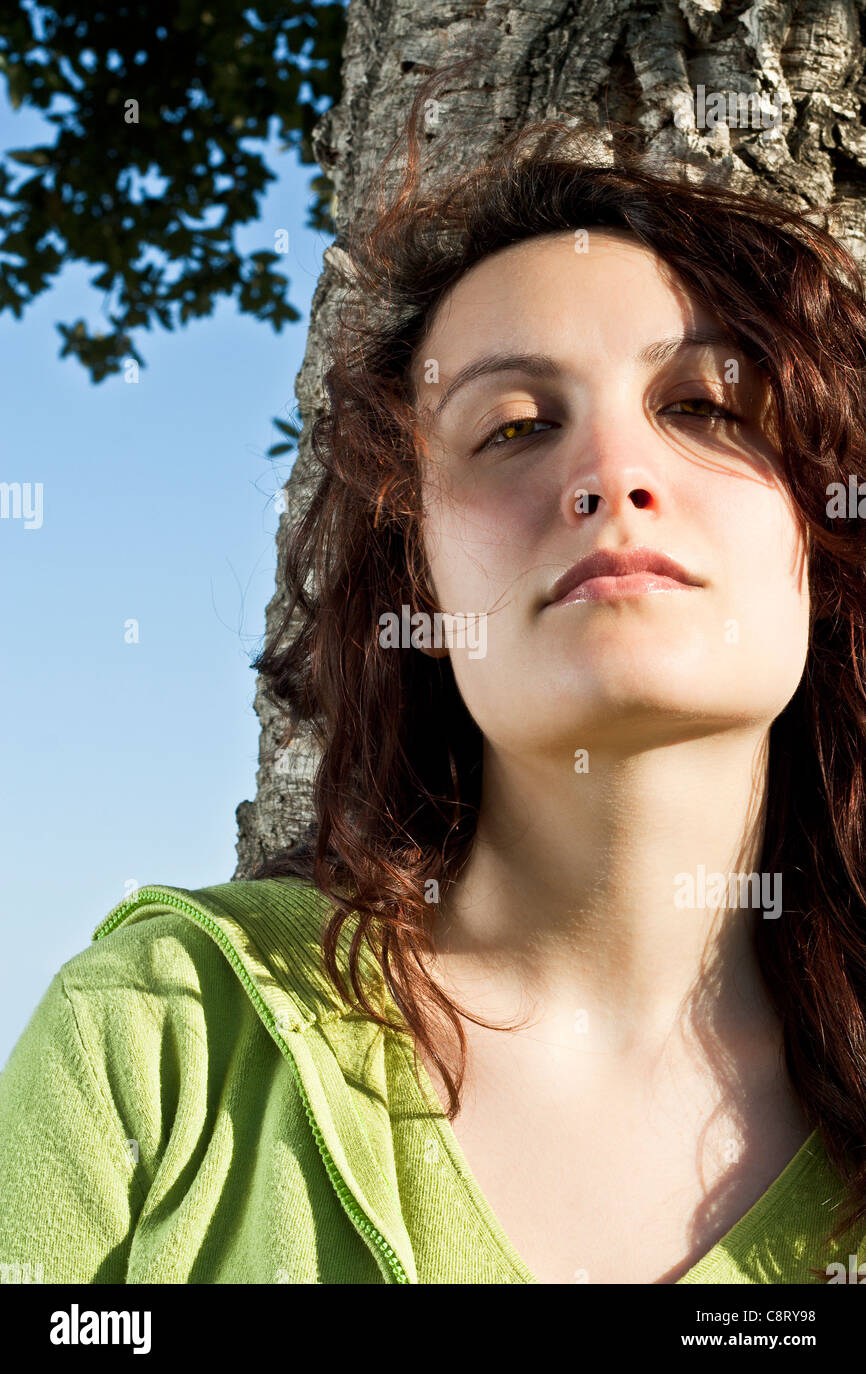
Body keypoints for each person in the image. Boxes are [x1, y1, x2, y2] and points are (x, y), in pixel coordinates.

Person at [2, 105, 866, 1286]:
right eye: (511, 428)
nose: (611, 475)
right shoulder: (161, 1042)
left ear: (820, 530)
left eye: (705, 408)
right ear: (418, 573)